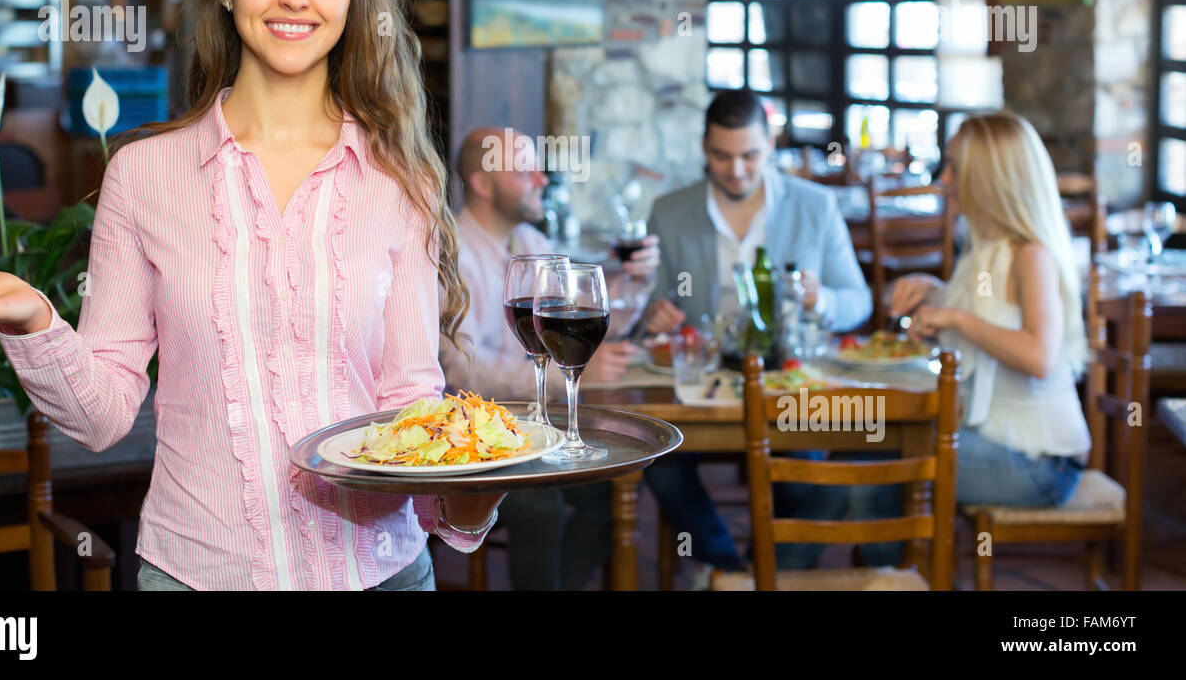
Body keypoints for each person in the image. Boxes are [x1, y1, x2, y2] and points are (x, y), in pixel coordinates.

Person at [0, 0, 503, 591]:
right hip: (196, 573)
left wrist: (476, 489)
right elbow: (102, 417)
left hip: (384, 572)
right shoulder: (144, 176)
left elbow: (410, 405)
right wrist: (33, 321)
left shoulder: (401, 181)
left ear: (351, 1)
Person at [638, 89, 873, 581]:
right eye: (722, 156)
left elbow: (859, 302)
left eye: (750, 155)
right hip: (704, 380)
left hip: (788, 379)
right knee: (658, 460)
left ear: (771, 145)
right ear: (705, 148)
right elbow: (649, 313)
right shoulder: (670, 210)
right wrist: (654, 316)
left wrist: (821, 299)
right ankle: (726, 566)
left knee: (805, 462)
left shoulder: (816, 206)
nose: (737, 170)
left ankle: (780, 566)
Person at [438, 126, 658, 589]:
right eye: (525, 170)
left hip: (536, 428)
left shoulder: (531, 242)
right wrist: (569, 379)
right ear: (483, 182)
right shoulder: (448, 252)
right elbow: (462, 371)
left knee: (613, 489)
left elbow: (578, 325)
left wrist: (634, 286)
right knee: (542, 505)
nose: (542, 179)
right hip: (474, 441)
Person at [890, 111, 1090, 507]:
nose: (943, 179)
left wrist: (955, 317)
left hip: (1040, 463)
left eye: (955, 167)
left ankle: (894, 568)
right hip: (991, 439)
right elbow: (991, 313)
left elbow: (1039, 357)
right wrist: (935, 295)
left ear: (990, 180)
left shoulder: (1031, 255)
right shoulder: (983, 246)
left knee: (883, 459)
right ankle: (901, 567)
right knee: (873, 447)